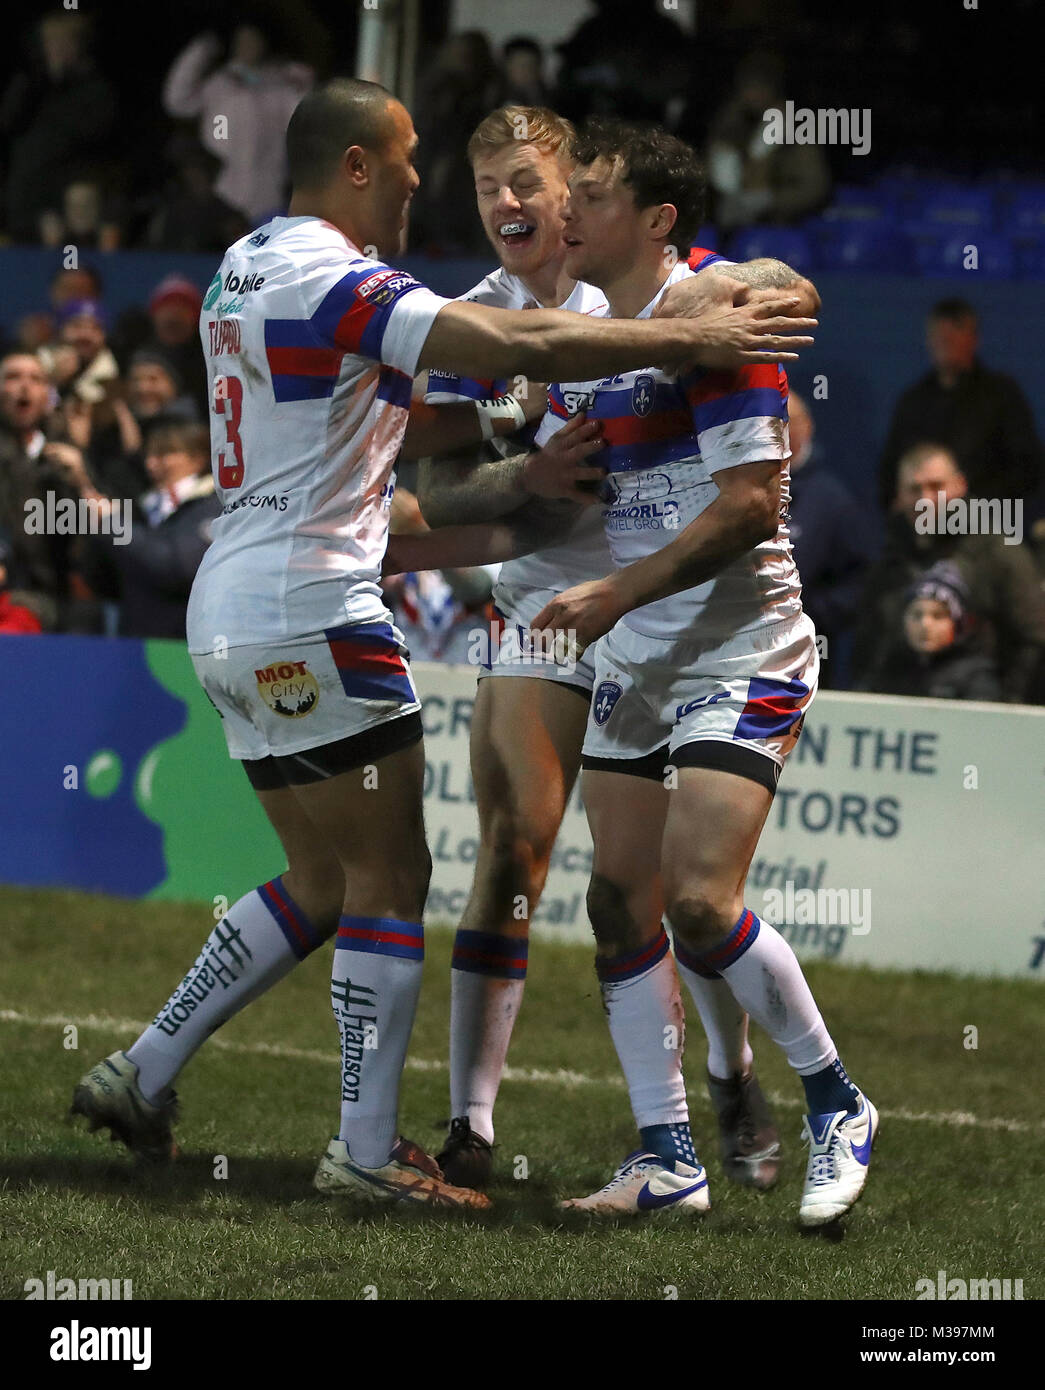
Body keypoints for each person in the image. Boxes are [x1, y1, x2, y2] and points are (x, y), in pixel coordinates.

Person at [70, 78, 814, 1210]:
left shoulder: (247, 261)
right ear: (360, 164)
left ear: (584, 194)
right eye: (433, 165)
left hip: (247, 601)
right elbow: (504, 355)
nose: (449, 189)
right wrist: (586, 406)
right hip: (352, 600)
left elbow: (389, 417)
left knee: (336, 877)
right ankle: (388, 1147)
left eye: (527, 182)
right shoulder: (357, 279)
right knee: (413, 871)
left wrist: (707, 311)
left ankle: (146, 1068)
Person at [414, 104, 820, 1191]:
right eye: (488, 184)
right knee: (519, 855)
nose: (514, 202)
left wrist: (763, 291)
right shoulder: (467, 323)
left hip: (668, 605)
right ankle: (475, 1121)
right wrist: (517, 469)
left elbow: (781, 288)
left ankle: (730, 1080)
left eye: (536, 184)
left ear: (580, 197)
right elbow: (431, 478)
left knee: (683, 891)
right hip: (550, 596)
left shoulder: (643, 294)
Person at [520, 120, 874, 1226]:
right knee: (619, 901)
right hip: (638, 655)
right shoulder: (599, 326)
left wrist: (612, 594)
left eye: (591, 193)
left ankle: (835, 1101)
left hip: (739, 645)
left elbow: (747, 508)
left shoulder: (720, 319)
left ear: (658, 220)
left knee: (698, 900)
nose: (565, 209)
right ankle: (666, 1159)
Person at [854, 443, 1045, 703]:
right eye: (914, 489)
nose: (925, 499)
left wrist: (1006, 709)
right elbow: (869, 644)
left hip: (979, 714)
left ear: (959, 485)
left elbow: (1033, 637)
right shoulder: (889, 558)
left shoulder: (999, 552)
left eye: (936, 487)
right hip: (897, 715)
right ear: (899, 495)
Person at [878, 299, 1043, 509]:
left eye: (955, 332)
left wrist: (970, 506)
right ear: (928, 340)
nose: (946, 341)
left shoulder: (1002, 396)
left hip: (985, 521)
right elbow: (890, 472)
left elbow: (1026, 469)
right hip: (919, 526)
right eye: (939, 335)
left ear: (974, 339)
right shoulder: (912, 401)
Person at [162, 24, 313, 223]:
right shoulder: (218, 82)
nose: (248, 46)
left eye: (253, 40)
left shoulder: (278, 88)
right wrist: (199, 52)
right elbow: (177, 101)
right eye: (243, 41)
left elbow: (305, 119)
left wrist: (304, 84)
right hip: (222, 193)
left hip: (267, 196)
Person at [784, 393, 869, 684]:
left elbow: (860, 580)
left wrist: (807, 615)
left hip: (804, 661)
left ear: (807, 426)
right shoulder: (737, 489)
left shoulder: (832, 500)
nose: (780, 428)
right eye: (771, 421)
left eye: (789, 420)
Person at [855, 564, 1002, 701]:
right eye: (916, 615)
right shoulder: (887, 667)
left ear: (957, 624)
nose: (925, 625)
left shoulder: (976, 677)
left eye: (938, 616)